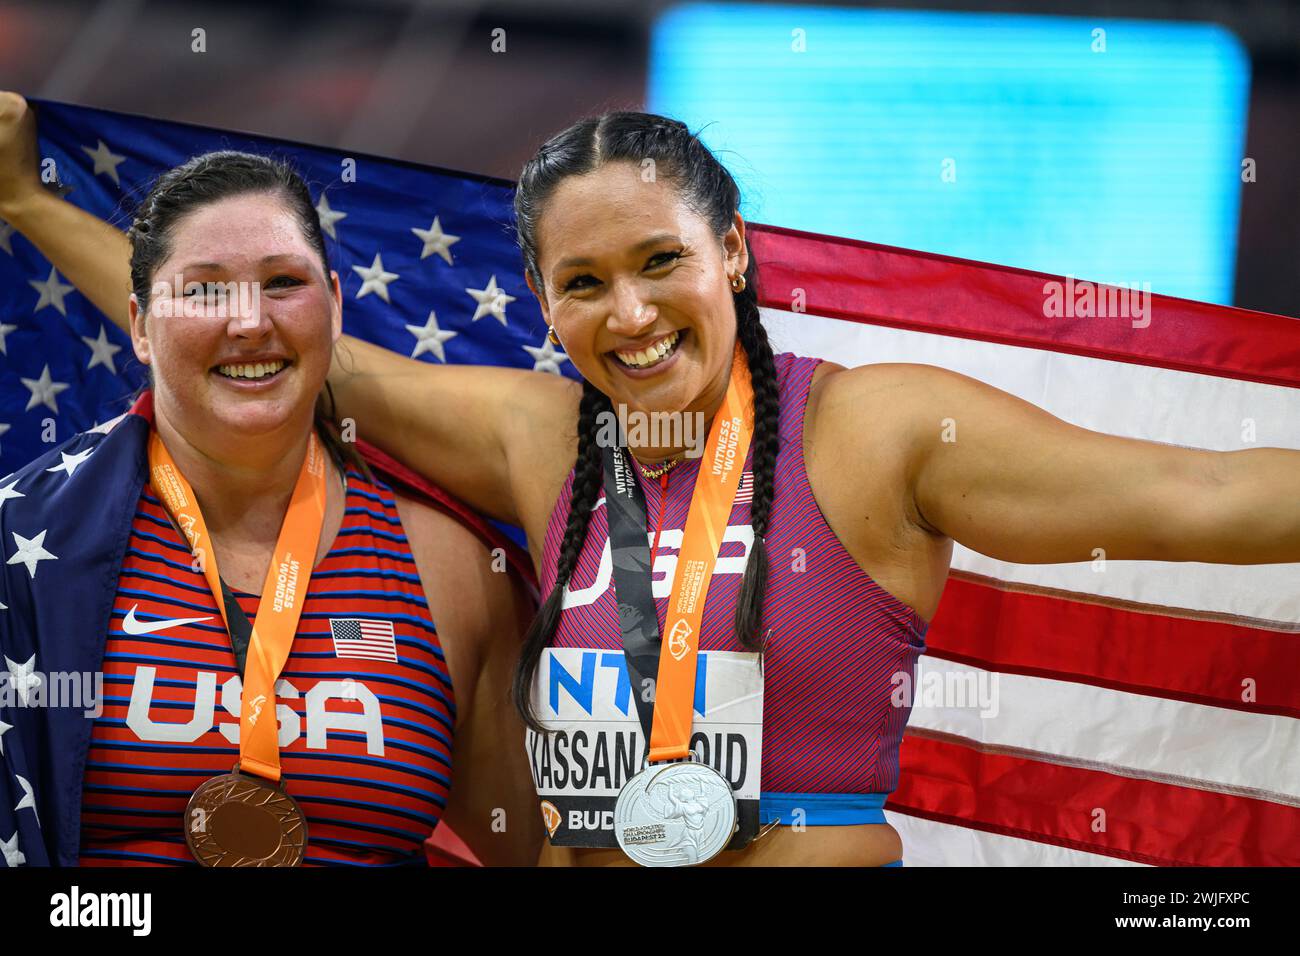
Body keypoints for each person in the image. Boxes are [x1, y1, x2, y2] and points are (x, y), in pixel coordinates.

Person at [3, 95, 1297, 867]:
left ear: (731, 253)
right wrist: (27, 202)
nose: (629, 314)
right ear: (546, 305)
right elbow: (269, 344)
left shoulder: (884, 430)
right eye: (582, 284)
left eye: (660, 262)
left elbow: (1208, 500)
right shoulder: (544, 439)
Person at [0, 134, 541, 865]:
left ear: (336, 307)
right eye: (205, 290)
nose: (250, 321)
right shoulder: (22, 540)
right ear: (138, 325)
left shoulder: (453, 569)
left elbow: (538, 854)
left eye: (284, 282)